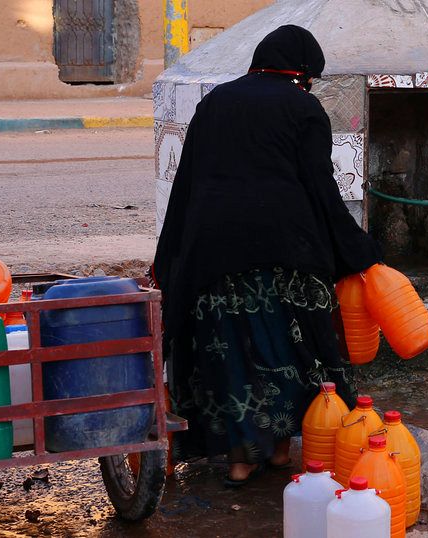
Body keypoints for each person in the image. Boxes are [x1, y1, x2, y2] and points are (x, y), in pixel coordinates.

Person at [153, 25, 381, 486]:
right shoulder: (303, 108)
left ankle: (240, 460)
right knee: (291, 356)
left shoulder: (215, 102)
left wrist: (166, 258)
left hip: (212, 258)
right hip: (286, 256)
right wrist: (359, 250)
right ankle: (280, 451)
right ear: (302, 72)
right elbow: (320, 189)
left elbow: (185, 188)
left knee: (229, 357)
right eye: (309, 78)